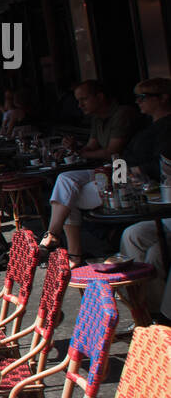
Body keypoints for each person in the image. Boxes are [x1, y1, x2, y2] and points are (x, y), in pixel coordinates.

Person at [37, 79, 148, 263]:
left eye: (84, 99)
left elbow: (113, 150)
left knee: (66, 198)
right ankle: (54, 236)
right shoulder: (97, 119)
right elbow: (91, 147)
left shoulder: (123, 114)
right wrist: (74, 148)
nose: (79, 105)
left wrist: (81, 152)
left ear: (100, 97)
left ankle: (72, 254)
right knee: (64, 179)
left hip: (123, 174)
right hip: (105, 171)